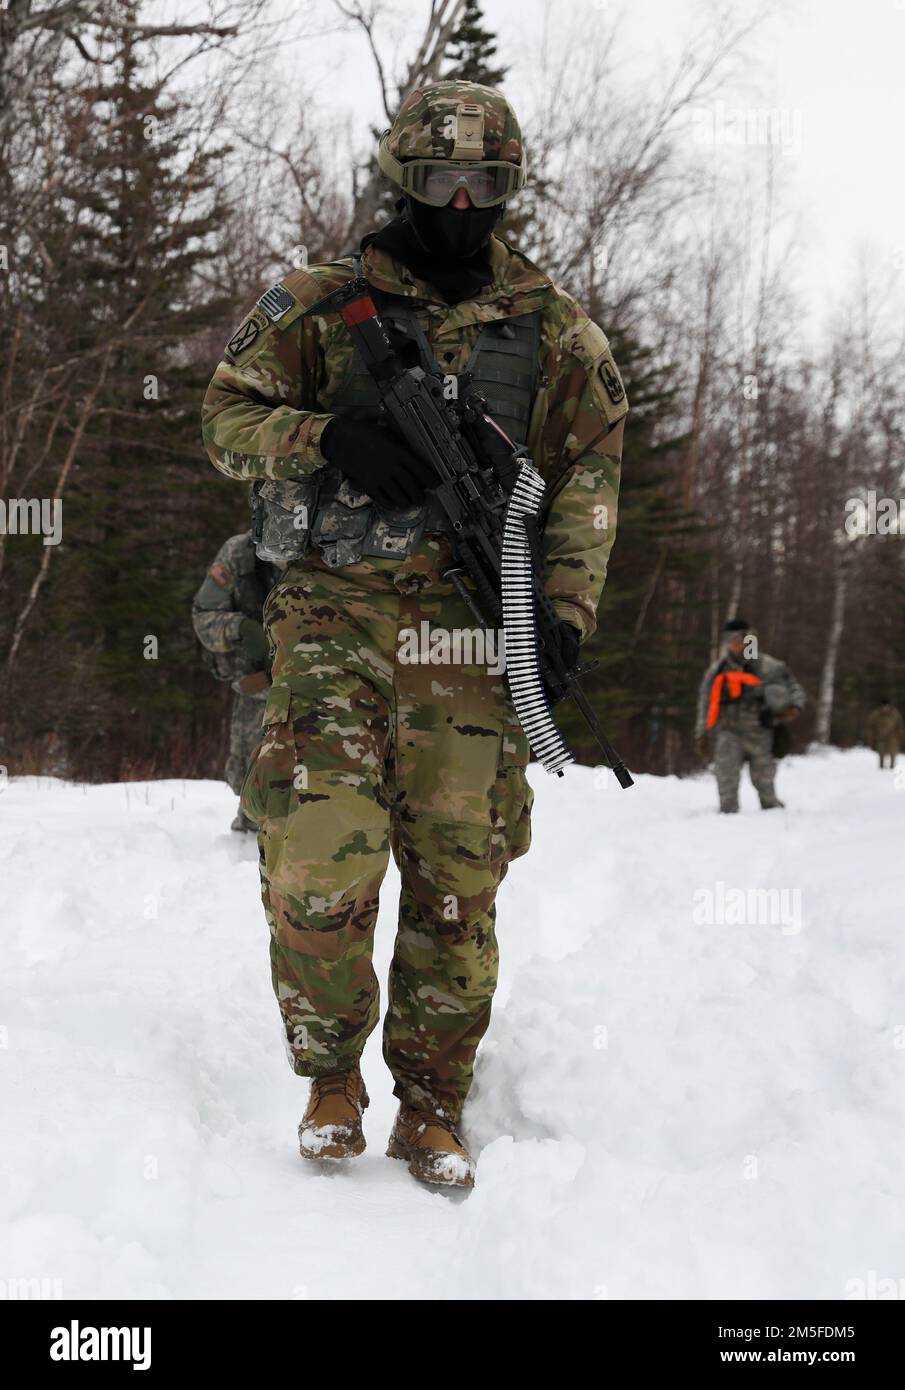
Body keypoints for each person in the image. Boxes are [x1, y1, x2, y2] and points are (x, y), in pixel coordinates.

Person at [200, 80, 628, 1187]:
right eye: (437, 180)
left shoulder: (550, 329)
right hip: (332, 615)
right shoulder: (317, 299)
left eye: (481, 183)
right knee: (316, 857)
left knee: (456, 879)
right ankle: (330, 1080)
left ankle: (431, 1105)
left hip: (467, 635)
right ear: (398, 177)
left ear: (508, 188)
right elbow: (222, 418)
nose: (456, 200)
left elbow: (586, 477)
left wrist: (563, 615)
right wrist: (327, 437)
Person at [191, 529, 276, 831]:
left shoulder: (332, 544)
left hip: (322, 682)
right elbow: (204, 616)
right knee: (248, 777)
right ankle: (250, 834)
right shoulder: (240, 553)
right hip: (260, 687)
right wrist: (240, 629)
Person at [695, 617, 805, 813]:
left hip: (759, 731)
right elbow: (706, 701)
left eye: (738, 638)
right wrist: (701, 732)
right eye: (729, 639)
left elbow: (794, 689)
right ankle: (727, 817)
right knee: (726, 776)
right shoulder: (718, 670)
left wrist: (793, 708)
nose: (733, 644)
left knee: (764, 779)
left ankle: (773, 815)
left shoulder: (768, 666)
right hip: (728, 732)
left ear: (748, 639)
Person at [864, 698, 904, 769]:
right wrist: (871, 738)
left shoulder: (895, 713)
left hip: (893, 737)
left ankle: (892, 767)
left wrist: (901, 737)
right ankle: (881, 768)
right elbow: (871, 726)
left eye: (887, 706)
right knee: (881, 752)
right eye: (884, 706)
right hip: (881, 737)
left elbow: (900, 726)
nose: (885, 708)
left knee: (893, 752)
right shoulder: (876, 714)